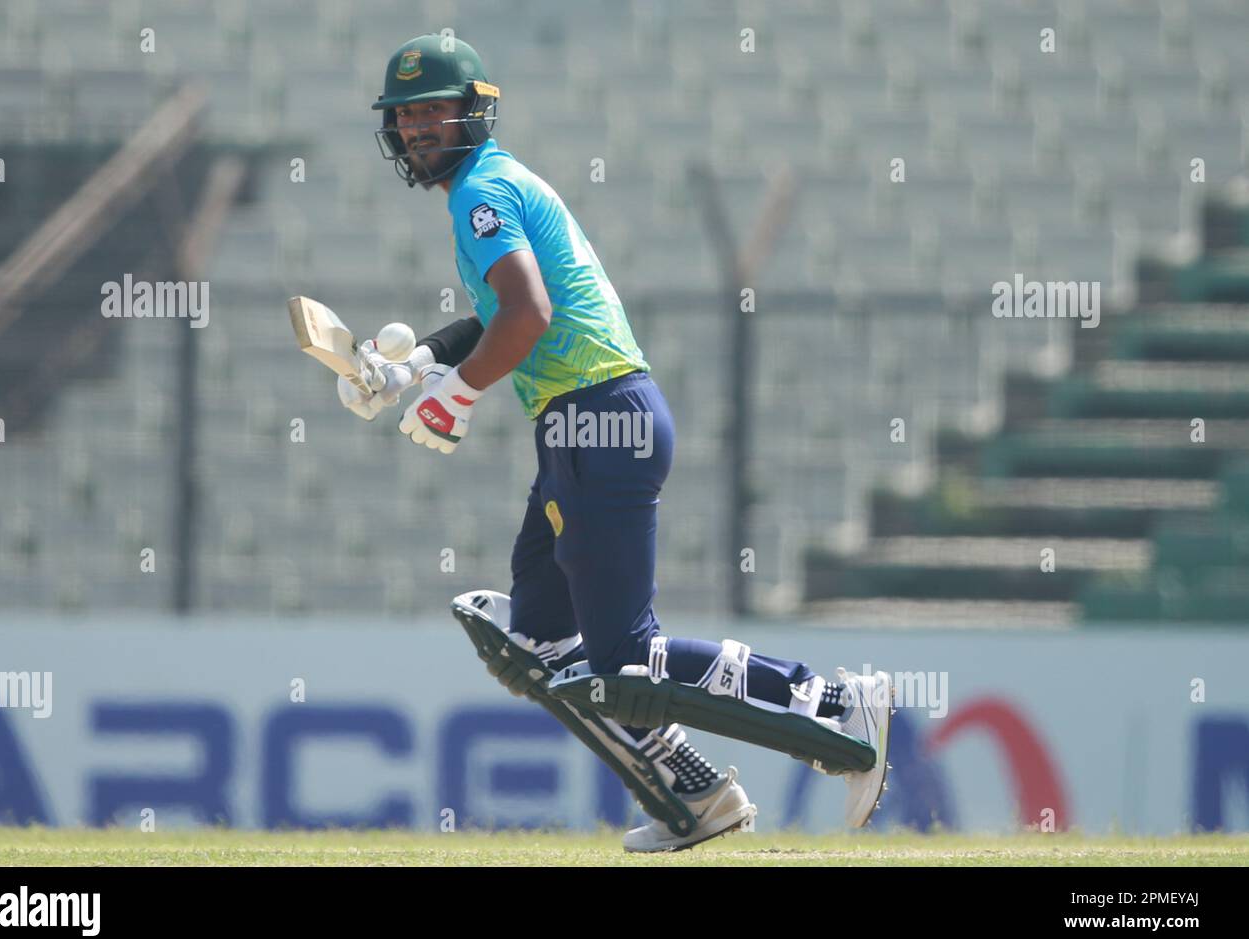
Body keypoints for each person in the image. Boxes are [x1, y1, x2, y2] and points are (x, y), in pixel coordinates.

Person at [340, 34, 893, 851]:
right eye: (406, 115)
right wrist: (413, 367)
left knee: (628, 663)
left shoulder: (481, 190)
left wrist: (454, 396)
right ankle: (693, 796)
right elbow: (499, 315)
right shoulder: (492, 183)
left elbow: (527, 316)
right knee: (536, 644)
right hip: (587, 423)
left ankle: (839, 711)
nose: (417, 128)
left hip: (599, 420)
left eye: (433, 111)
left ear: (475, 112)